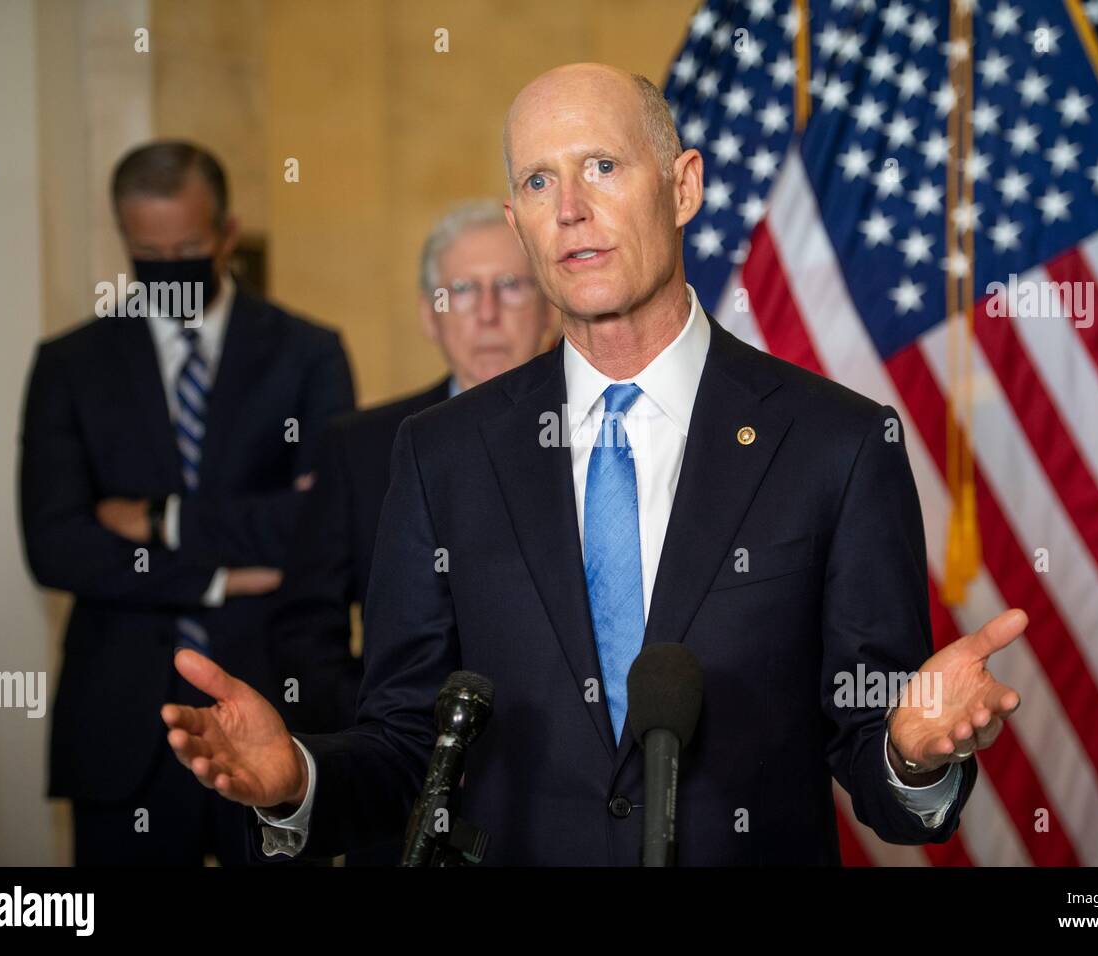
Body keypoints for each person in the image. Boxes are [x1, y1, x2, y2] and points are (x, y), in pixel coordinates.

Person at [163, 66, 1025, 866]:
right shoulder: (443, 455)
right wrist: (299, 783)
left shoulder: (836, 443)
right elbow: (404, 748)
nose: (570, 206)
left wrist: (911, 757)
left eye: (603, 166)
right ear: (519, 224)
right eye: (539, 182)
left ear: (683, 186)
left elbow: (878, 766)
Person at [19, 140, 355, 865]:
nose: (170, 266)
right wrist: (217, 576)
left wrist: (159, 520)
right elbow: (56, 544)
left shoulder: (308, 353)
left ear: (226, 233)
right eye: (149, 250)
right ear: (125, 240)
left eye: (189, 247)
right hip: (120, 726)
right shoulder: (71, 365)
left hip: (277, 713)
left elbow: (322, 524)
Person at [269, 198, 555, 862]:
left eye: (510, 286)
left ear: (548, 307)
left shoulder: (601, 436)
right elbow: (301, 631)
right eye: (462, 291)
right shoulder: (362, 447)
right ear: (431, 315)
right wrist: (406, 736)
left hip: (560, 804)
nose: (486, 312)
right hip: (398, 814)